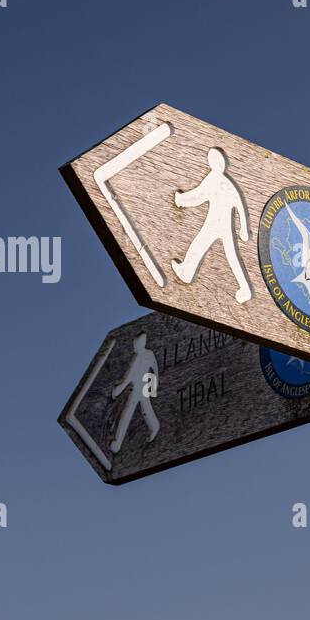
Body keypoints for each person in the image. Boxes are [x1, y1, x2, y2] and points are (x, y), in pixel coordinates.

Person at [171, 148, 252, 303]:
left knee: (203, 246)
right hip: (224, 225)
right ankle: (186, 271)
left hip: (216, 223)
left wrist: (181, 200)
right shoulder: (226, 182)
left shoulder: (215, 179)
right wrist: (243, 229)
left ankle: (186, 272)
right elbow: (240, 204)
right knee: (229, 254)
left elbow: (199, 196)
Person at [110, 332, 160, 453]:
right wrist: (153, 386)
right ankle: (155, 427)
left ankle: (117, 443)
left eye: (135, 343)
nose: (134, 346)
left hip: (139, 388)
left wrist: (119, 389)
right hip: (141, 388)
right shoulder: (148, 354)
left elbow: (129, 376)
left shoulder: (140, 357)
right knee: (144, 410)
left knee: (128, 413)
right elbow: (155, 370)